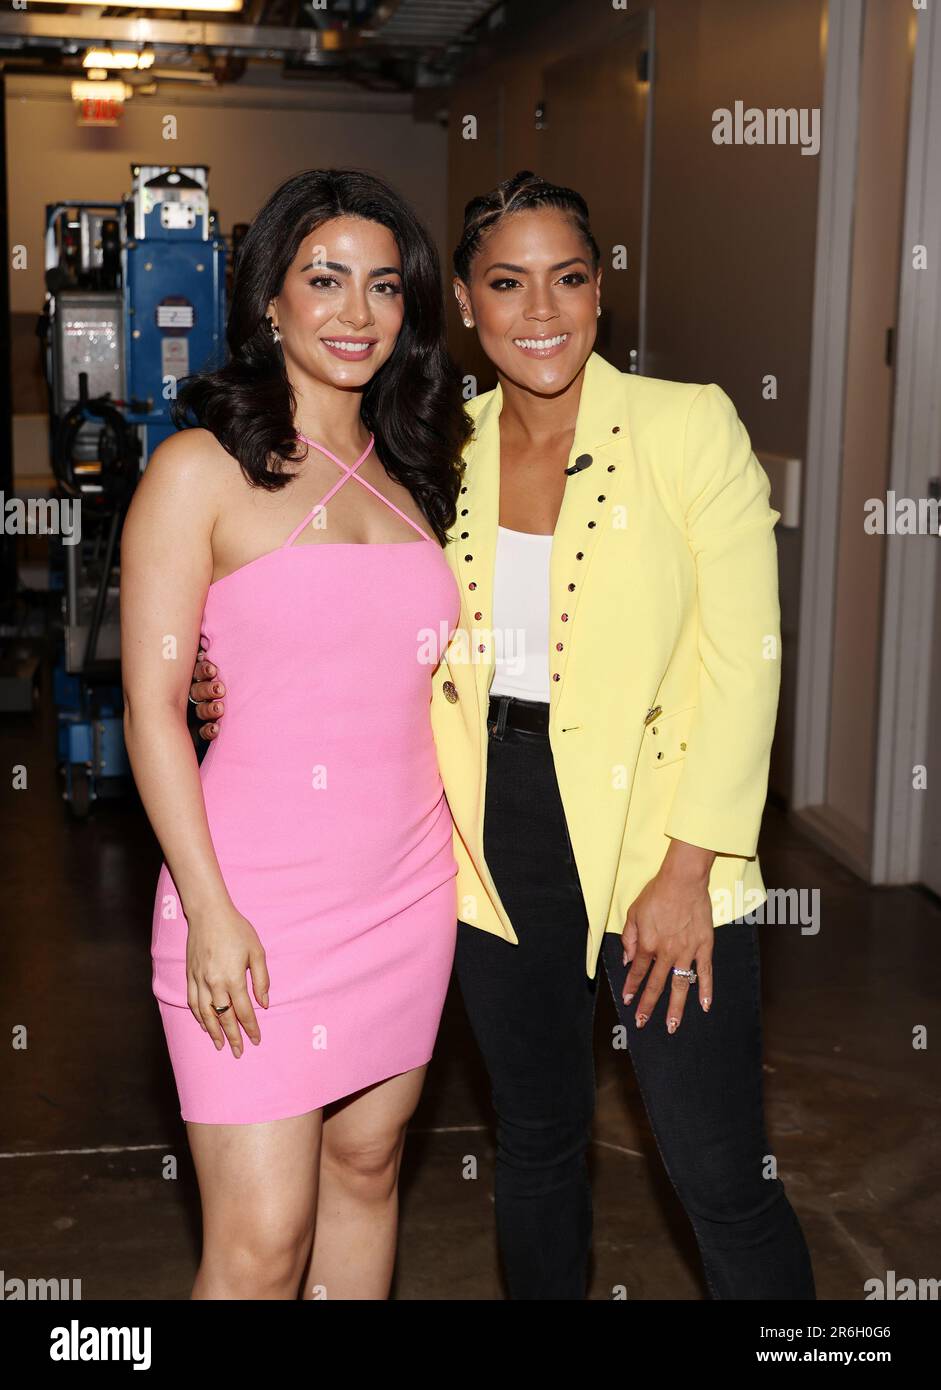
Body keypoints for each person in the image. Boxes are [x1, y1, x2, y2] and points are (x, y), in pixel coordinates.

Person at [192, 170, 816, 1300]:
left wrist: (689, 867)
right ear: (465, 310)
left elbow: (746, 665)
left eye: (567, 279)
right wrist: (216, 671)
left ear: (598, 298)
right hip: (484, 837)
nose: (541, 311)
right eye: (506, 284)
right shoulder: (436, 448)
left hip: (657, 838)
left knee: (719, 1171)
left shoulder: (686, 427)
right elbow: (353, 613)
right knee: (533, 1147)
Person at [121, 168, 470, 1300]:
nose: (355, 314)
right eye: (324, 280)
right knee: (261, 1242)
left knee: (367, 1168)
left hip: (407, 886)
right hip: (253, 902)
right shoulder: (195, 471)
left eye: (383, 287)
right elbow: (153, 708)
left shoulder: (419, 468)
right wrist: (209, 907)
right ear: (267, 298)